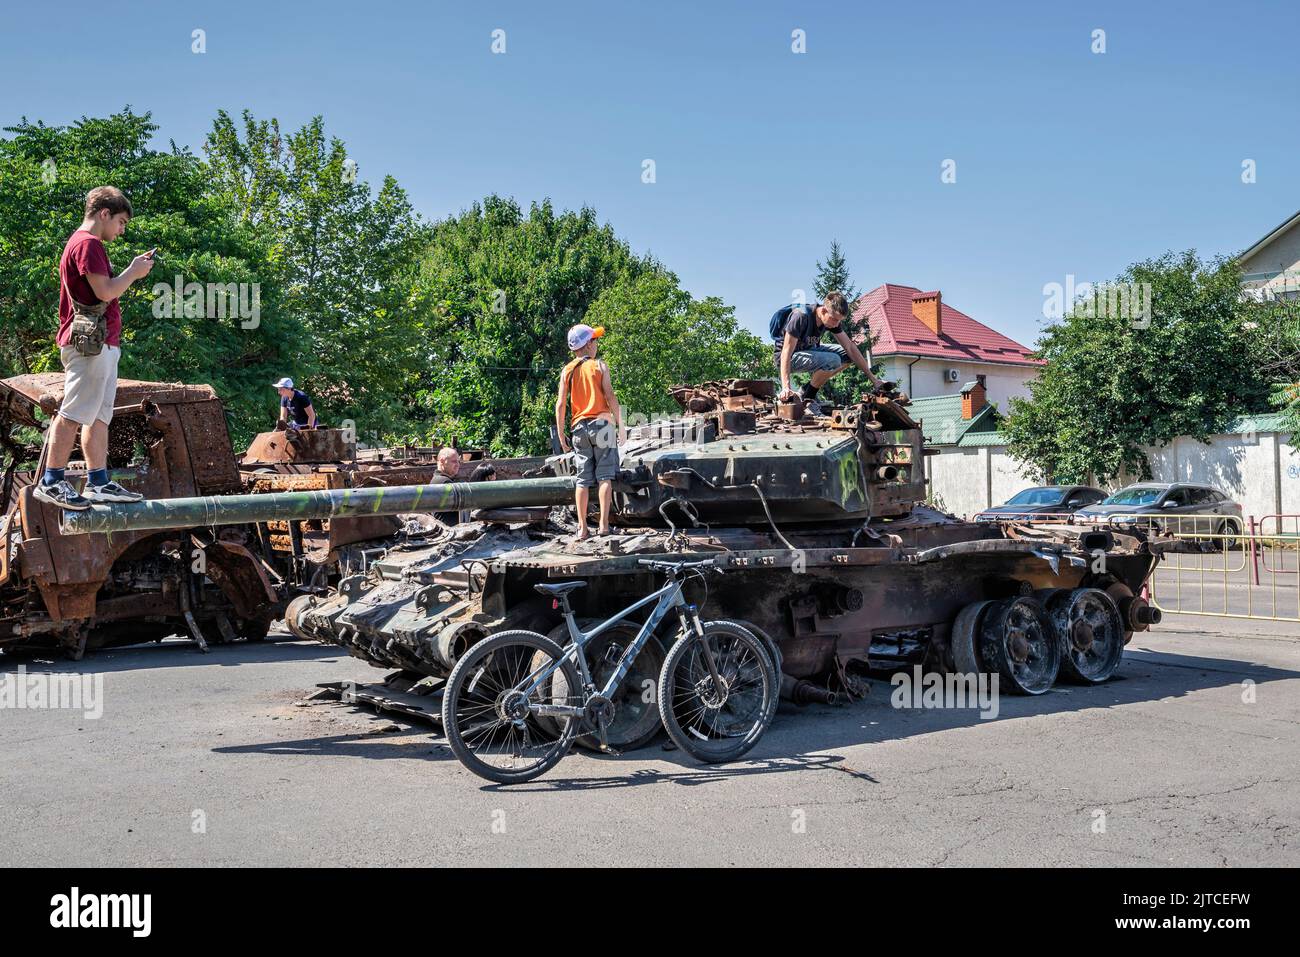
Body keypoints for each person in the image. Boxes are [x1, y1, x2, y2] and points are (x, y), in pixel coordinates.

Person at [34, 187, 155, 510]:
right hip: (90, 346)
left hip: (102, 345)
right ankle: (51, 481)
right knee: (73, 412)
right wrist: (133, 273)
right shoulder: (87, 244)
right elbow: (104, 291)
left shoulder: (88, 245)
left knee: (98, 417)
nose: (122, 230)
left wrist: (130, 270)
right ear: (104, 214)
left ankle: (98, 481)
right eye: (121, 222)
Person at [555, 323, 620, 539]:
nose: (597, 344)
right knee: (604, 477)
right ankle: (603, 525)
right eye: (595, 340)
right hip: (602, 425)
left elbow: (560, 404)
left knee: (582, 480)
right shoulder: (599, 366)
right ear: (587, 345)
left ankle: (582, 528)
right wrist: (620, 424)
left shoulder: (567, 370)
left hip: (578, 427)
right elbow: (610, 396)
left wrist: (561, 434)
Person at [772, 291, 883, 415]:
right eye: (835, 319)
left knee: (847, 355)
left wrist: (874, 380)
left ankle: (806, 392)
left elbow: (850, 348)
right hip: (787, 358)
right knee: (833, 360)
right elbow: (786, 352)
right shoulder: (801, 316)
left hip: (806, 351)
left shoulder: (830, 321)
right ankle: (809, 399)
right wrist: (786, 387)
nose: (836, 324)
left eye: (839, 321)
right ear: (824, 311)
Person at [428, 447, 495, 525]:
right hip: (451, 529)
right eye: (454, 461)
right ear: (442, 461)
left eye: (458, 462)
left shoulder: (438, 480)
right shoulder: (444, 482)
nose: (458, 465)